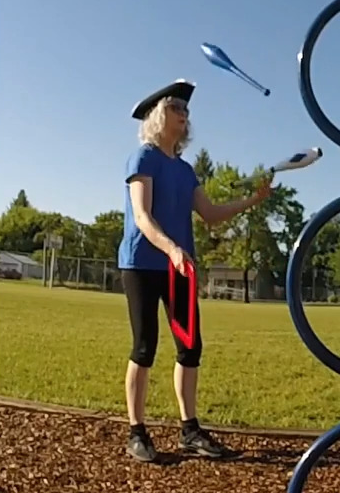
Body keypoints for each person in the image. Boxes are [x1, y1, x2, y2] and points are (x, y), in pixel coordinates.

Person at [117, 79, 272, 463]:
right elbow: (142, 216)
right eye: (176, 108)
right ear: (159, 116)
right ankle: (137, 432)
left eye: (186, 110)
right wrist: (171, 248)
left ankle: (190, 430)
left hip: (178, 266)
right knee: (144, 346)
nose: (184, 115)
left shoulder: (186, 171)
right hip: (142, 263)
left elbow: (211, 215)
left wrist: (253, 200)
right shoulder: (143, 158)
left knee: (190, 347)